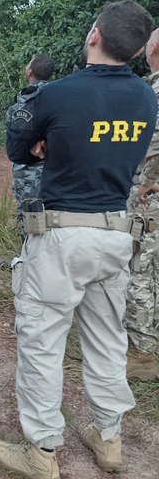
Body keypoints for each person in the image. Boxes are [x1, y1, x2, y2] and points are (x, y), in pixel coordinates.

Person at [0, 0, 156, 478]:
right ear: (138, 49)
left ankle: (42, 453)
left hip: (62, 236)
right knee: (107, 342)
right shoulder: (147, 98)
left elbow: (18, 149)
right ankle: (109, 441)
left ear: (93, 36)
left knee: (42, 342)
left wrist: (48, 143)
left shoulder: (56, 94)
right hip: (115, 236)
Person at [125, 26, 159, 381]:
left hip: (150, 201)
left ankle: (142, 355)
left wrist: (149, 183)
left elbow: (151, 146)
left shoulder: (154, 92)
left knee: (141, 270)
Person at [7, 54, 55, 222]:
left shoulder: (24, 100)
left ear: (29, 72)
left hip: (28, 170)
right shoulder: (59, 96)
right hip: (56, 169)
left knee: (27, 217)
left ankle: (28, 247)